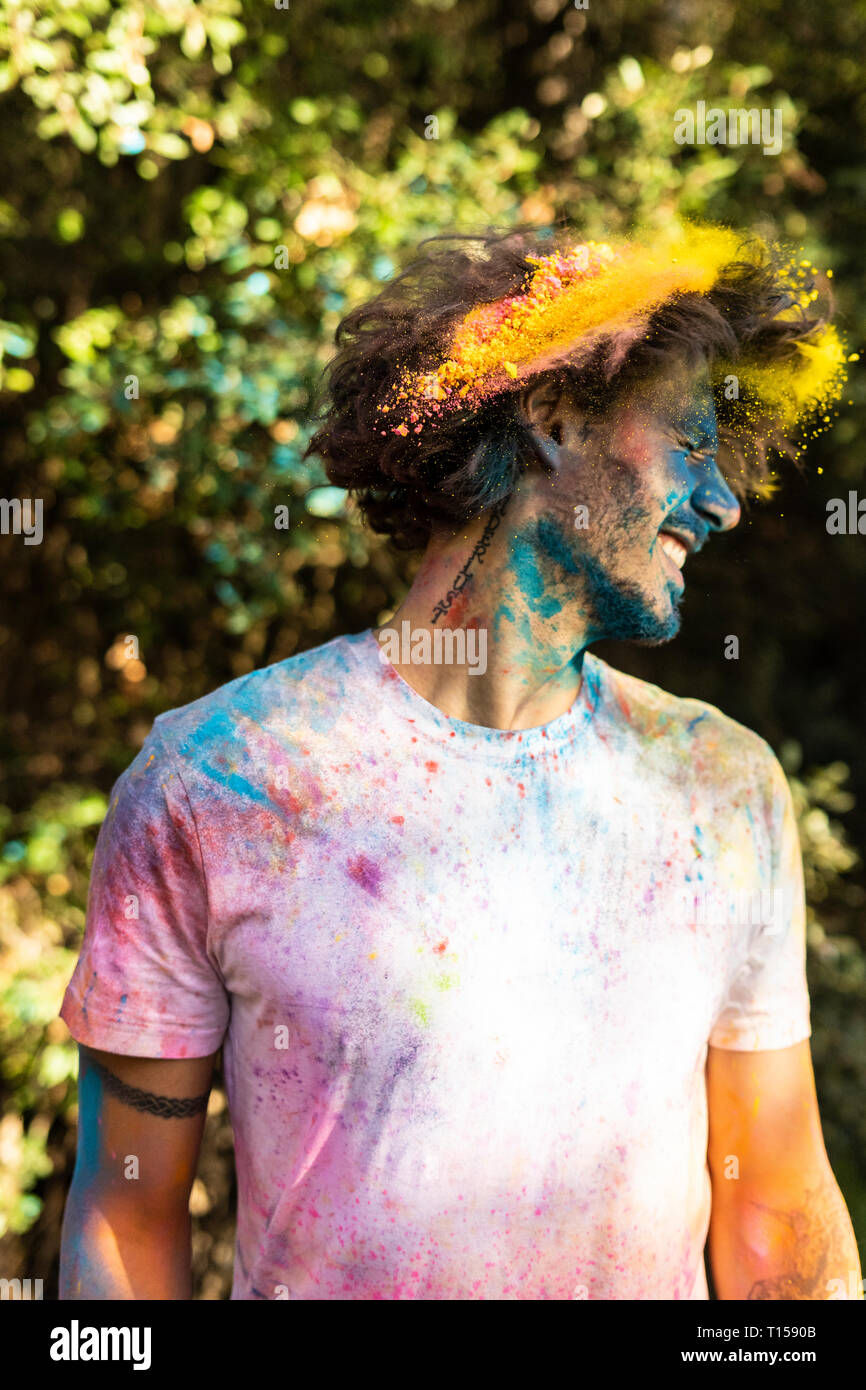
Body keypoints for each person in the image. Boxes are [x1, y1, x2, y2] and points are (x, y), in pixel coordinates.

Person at [59, 223, 861, 1300]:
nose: (719, 502)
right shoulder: (218, 782)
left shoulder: (720, 788)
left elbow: (773, 1207)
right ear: (554, 415)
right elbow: (124, 1212)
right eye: (688, 443)